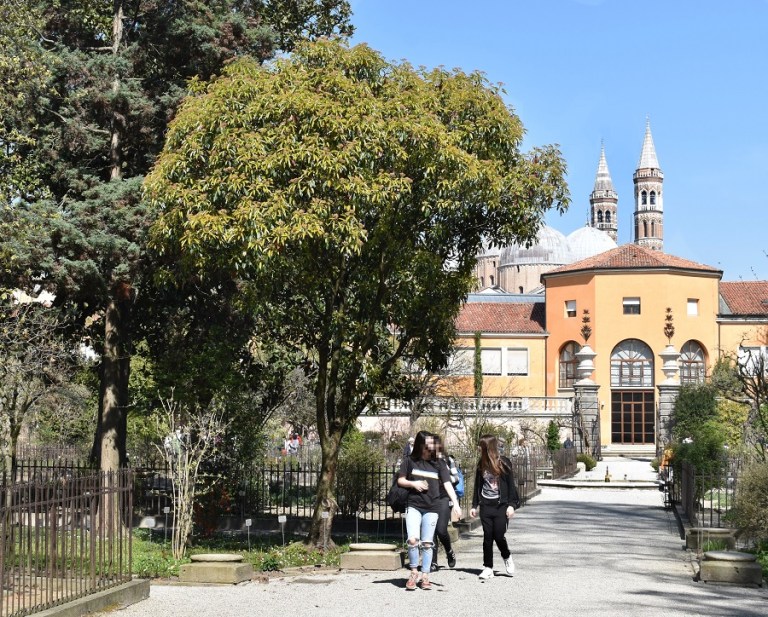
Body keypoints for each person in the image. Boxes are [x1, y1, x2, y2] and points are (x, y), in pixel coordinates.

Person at [397, 431, 461, 590]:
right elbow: (400, 480)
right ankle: (413, 572)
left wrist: (456, 504)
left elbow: (447, 484)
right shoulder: (409, 461)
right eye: (428, 444)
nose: (431, 447)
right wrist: (414, 484)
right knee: (412, 540)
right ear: (420, 445)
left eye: (432, 444)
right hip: (414, 505)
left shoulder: (438, 463)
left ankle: (425, 575)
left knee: (427, 543)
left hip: (432, 507)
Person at [469, 434, 521, 581]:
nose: (479, 449)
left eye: (481, 446)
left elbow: (511, 487)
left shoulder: (504, 463)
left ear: (488, 447)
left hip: (501, 506)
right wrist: (474, 505)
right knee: (487, 537)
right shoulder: (481, 464)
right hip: (486, 505)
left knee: (499, 536)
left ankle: (507, 556)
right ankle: (488, 567)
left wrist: (512, 505)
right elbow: (478, 486)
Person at [430, 435, 458, 572]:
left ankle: (449, 550)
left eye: (433, 444)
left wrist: (443, 476)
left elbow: (455, 478)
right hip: (429, 498)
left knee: (441, 530)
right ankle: (433, 562)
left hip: (443, 497)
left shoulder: (447, 459)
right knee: (431, 531)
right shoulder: (426, 461)